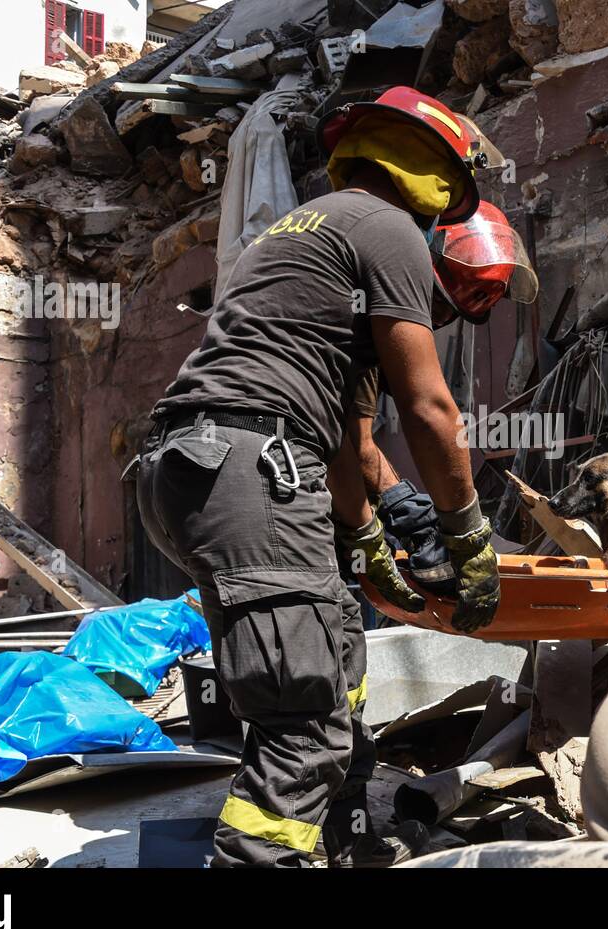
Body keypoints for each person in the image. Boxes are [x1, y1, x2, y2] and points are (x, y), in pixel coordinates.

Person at [134, 86, 500, 868]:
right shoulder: (389, 229)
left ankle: (344, 840)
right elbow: (432, 407)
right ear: (435, 177)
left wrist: (372, 538)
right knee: (302, 726)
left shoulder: (303, 237)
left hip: (200, 468)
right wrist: (469, 540)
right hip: (250, 470)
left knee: (333, 647)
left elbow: (346, 443)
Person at [346, 200, 538, 597]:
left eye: (445, 317)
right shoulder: (357, 318)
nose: (430, 324)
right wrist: (462, 533)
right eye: (434, 307)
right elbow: (367, 438)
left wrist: (403, 506)